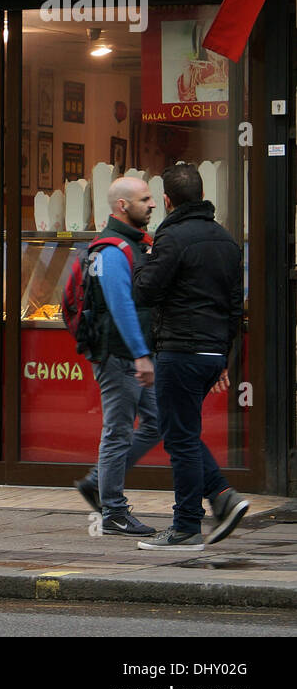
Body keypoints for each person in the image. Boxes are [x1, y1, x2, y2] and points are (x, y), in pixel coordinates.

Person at [132, 162, 248, 551]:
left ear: (167, 200)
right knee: (182, 431)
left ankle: (186, 526)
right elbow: (235, 308)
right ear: (201, 195)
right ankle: (221, 497)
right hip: (212, 352)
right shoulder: (227, 241)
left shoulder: (173, 238)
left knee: (178, 437)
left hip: (180, 350)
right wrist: (224, 356)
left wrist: (141, 261)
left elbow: (146, 291)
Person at [73, 178, 161, 536]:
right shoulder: (112, 250)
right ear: (123, 206)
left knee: (156, 422)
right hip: (118, 354)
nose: (152, 204)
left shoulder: (130, 245)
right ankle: (113, 511)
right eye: (145, 199)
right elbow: (120, 305)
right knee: (118, 431)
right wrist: (141, 354)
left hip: (131, 352)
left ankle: (98, 481)